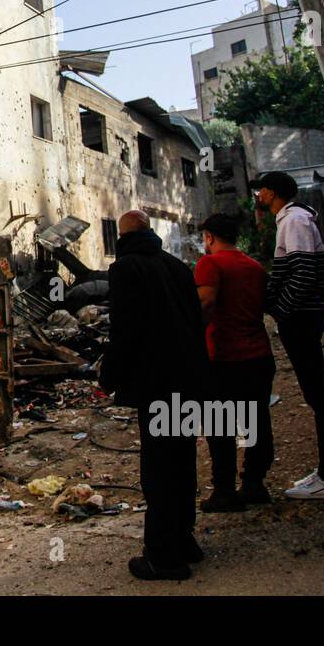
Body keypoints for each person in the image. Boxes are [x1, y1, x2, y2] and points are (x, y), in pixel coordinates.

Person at [102, 209, 213, 581]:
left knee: (159, 470)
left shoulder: (125, 270)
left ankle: (163, 557)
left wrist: (108, 375)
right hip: (188, 379)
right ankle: (183, 540)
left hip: (156, 384)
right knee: (181, 462)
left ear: (121, 237)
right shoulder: (178, 266)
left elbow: (125, 330)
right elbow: (196, 321)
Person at [253, 171, 324, 499]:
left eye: (261, 190)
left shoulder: (294, 222)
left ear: (272, 192)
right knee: (316, 394)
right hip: (301, 316)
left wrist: (281, 310)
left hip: (301, 318)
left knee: (318, 394)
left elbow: (304, 272)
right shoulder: (290, 220)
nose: (258, 196)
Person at [193, 213, 275, 511]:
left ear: (210, 237)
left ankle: (225, 491)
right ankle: (254, 484)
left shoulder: (210, 264)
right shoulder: (254, 266)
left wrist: (191, 339)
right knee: (257, 420)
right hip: (259, 356)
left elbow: (206, 302)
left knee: (219, 425)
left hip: (224, 358)